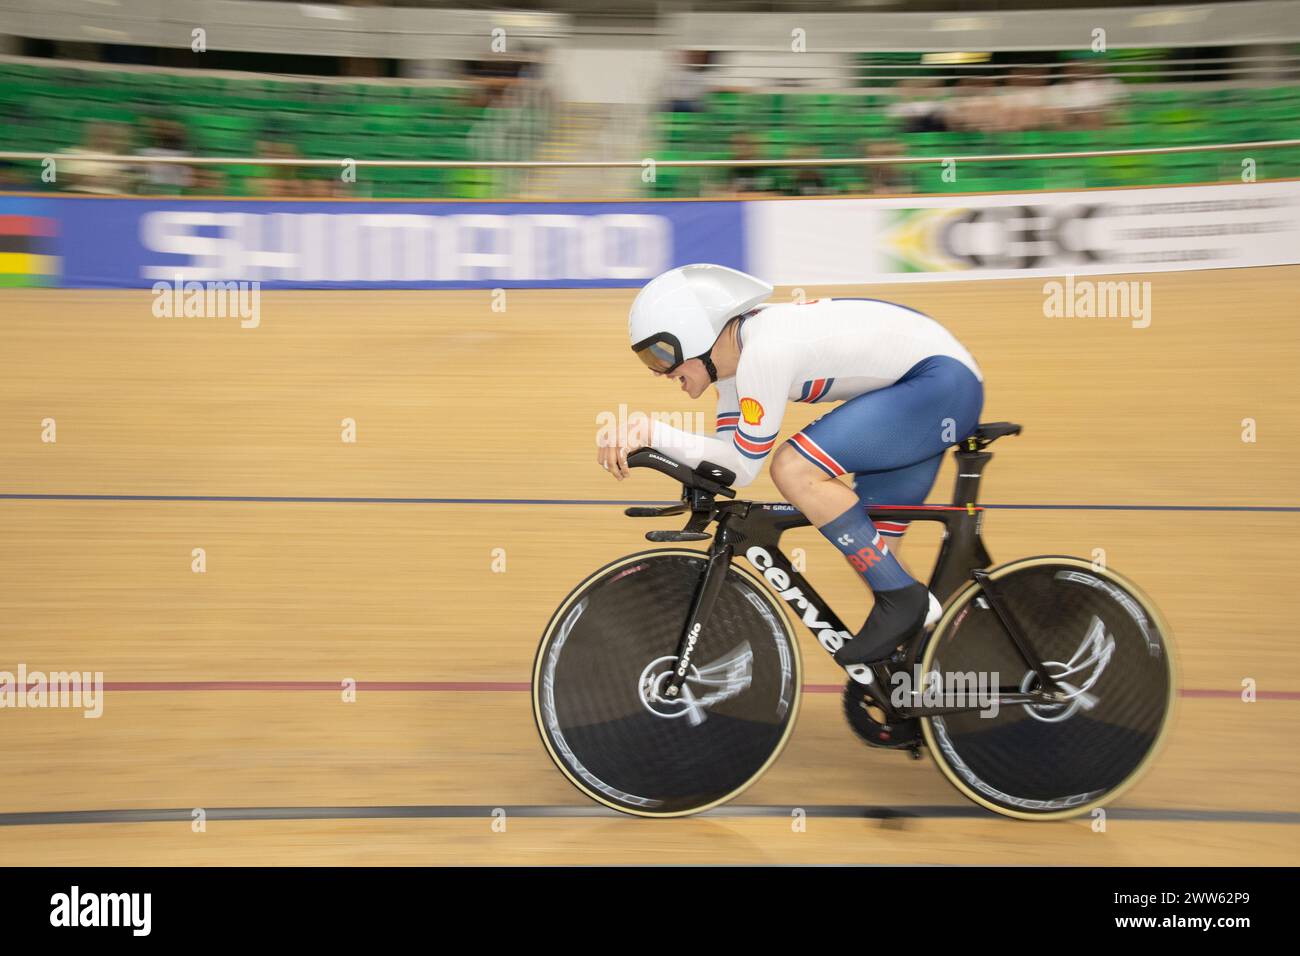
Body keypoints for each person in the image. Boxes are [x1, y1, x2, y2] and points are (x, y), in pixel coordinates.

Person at [599, 264, 984, 668]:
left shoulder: (764, 352)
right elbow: (727, 461)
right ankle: (933, 669)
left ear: (697, 333)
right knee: (875, 554)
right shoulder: (733, 371)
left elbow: (745, 467)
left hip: (940, 384)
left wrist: (649, 431)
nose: (659, 371)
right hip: (925, 388)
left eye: (661, 355)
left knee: (793, 468)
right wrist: (664, 455)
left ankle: (906, 602)